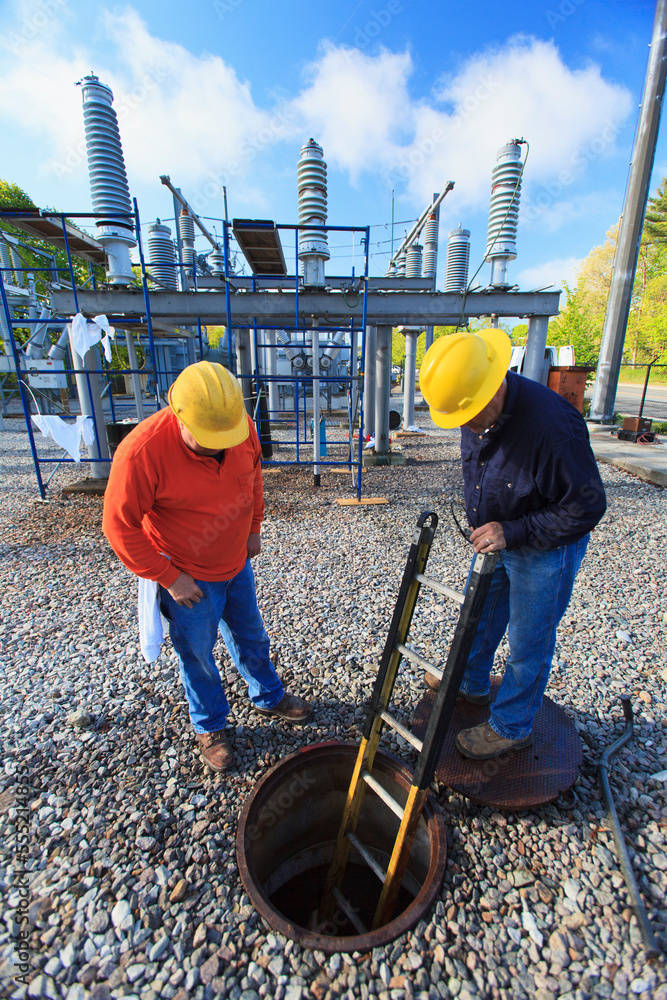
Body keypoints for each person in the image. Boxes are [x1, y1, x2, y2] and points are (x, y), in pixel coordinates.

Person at [102, 361, 312, 773]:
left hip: (236, 562)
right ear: (179, 416)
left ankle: (267, 696)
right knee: (196, 653)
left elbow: (252, 476)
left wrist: (253, 526)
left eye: (224, 439)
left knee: (251, 634)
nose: (218, 447)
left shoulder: (238, 424)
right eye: (207, 440)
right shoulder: (141, 452)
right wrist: (169, 578)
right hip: (188, 574)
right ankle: (210, 725)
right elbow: (118, 525)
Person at [419, 329, 606, 760]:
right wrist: (488, 523)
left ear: (492, 391)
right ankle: (470, 680)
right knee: (480, 614)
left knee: (529, 641)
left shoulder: (552, 428)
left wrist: (512, 532)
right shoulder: (476, 407)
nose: (463, 426)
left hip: (544, 546)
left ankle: (512, 725)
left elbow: (586, 507)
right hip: (497, 535)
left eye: (466, 416)